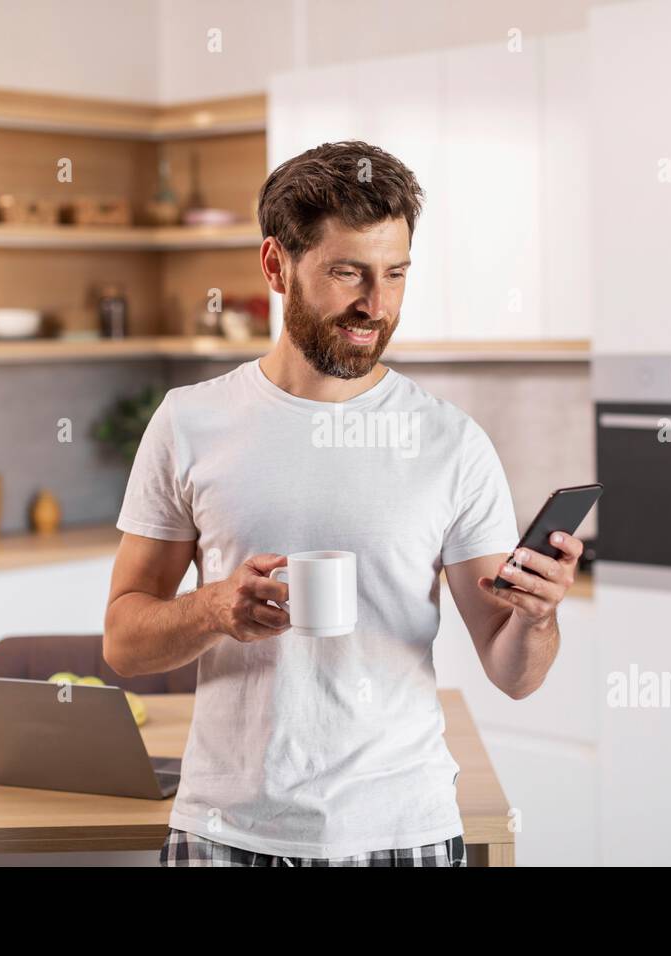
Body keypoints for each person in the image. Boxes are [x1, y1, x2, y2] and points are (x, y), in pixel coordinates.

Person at [104, 141, 583, 867]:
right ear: (276, 266)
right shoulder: (189, 421)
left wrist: (538, 616)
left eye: (395, 274)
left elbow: (514, 672)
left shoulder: (450, 442)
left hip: (400, 829)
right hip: (225, 831)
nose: (377, 305)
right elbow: (124, 642)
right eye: (347, 273)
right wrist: (213, 609)